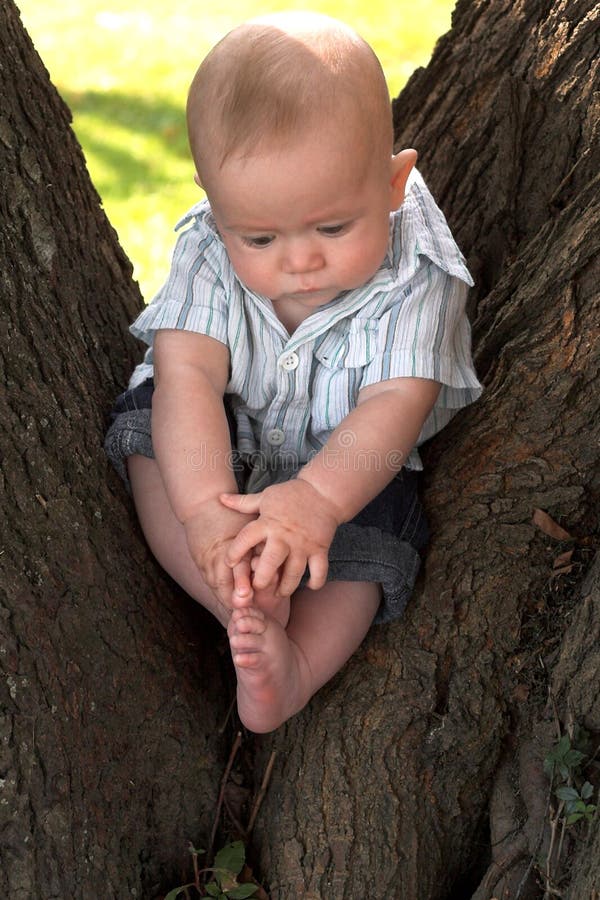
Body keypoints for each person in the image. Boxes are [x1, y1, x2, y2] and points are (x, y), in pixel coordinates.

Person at [105, 11, 482, 733]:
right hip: (220, 440)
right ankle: (237, 601)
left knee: (367, 551)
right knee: (150, 440)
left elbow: (397, 402)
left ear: (394, 181)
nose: (300, 260)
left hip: (347, 466)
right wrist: (206, 511)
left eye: (333, 228)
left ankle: (297, 666)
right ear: (215, 204)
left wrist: (317, 499)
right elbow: (188, 376)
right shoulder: (209, 245)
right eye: (260, 238)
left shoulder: (421, 273)